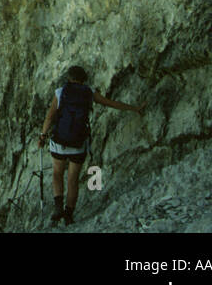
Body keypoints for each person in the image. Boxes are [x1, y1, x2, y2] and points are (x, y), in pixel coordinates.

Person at [37, 65, 142, 226]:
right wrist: (134, 108)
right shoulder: (90, 93)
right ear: (84, 78)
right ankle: (69, 215)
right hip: (78, 144)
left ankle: (58, 207)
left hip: (59, 141)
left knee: (57, 173)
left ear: (69, 78)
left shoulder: (60, 92)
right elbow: (111, 103)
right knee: (73, 179)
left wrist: (42, 136)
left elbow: (50, 117)